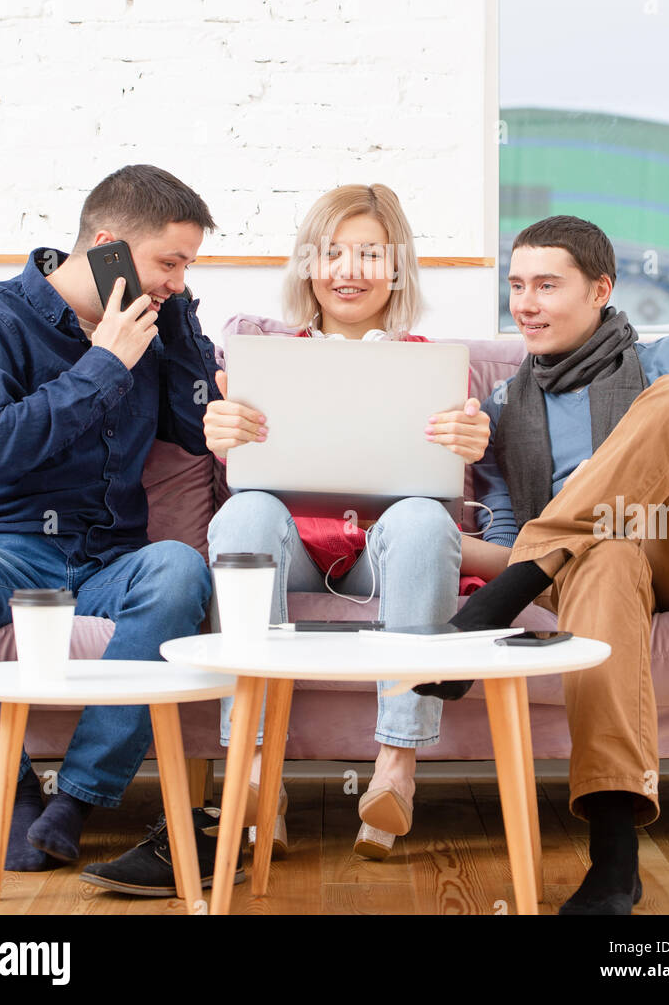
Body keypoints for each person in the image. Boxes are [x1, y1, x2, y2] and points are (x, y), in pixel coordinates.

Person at [414, 214, 669, 915]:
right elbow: (515, 538)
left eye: (547, 285)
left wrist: (639, 470)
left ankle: (491, 613)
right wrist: (425, 536)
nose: (526, 303)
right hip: (587, 572)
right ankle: (615, 859)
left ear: (600, 290)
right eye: (517, 285)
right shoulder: (504, 408)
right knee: (607, 549)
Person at [0, 164, 229, 884]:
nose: (177, 280)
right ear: (108, 244)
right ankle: (14, 791)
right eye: (169, 263)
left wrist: (177, 329)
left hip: (108, 562)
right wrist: (100, 366)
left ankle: (80, 799)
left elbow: (193, 433)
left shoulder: (153, 323)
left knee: (180, 567)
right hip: (4, 555)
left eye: (187, 267)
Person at [207, 183, 491, 862]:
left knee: (424, 522)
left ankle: (396, 767)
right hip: (292, 543)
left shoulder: (437, 365)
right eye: (332, 251)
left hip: (382, 549)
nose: (349, 269)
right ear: (309, 265)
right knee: (244, 511)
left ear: (396, 269)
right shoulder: (260, 358)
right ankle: (255, 774)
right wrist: (225, 437)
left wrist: (468, 448)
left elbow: (449, 501)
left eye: (369, 253)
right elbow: (246, 477)